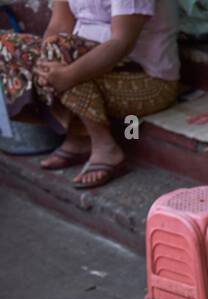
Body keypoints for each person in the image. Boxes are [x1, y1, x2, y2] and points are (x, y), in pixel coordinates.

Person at [0, 0, 180, 188]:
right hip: (89, 65)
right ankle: (79, 135)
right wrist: (45, 63)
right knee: (10, 45)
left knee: (62, 53)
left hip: (147, 80)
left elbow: (122, 42)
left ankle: (105, 146)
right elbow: (58, 26)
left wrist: (66, 75)